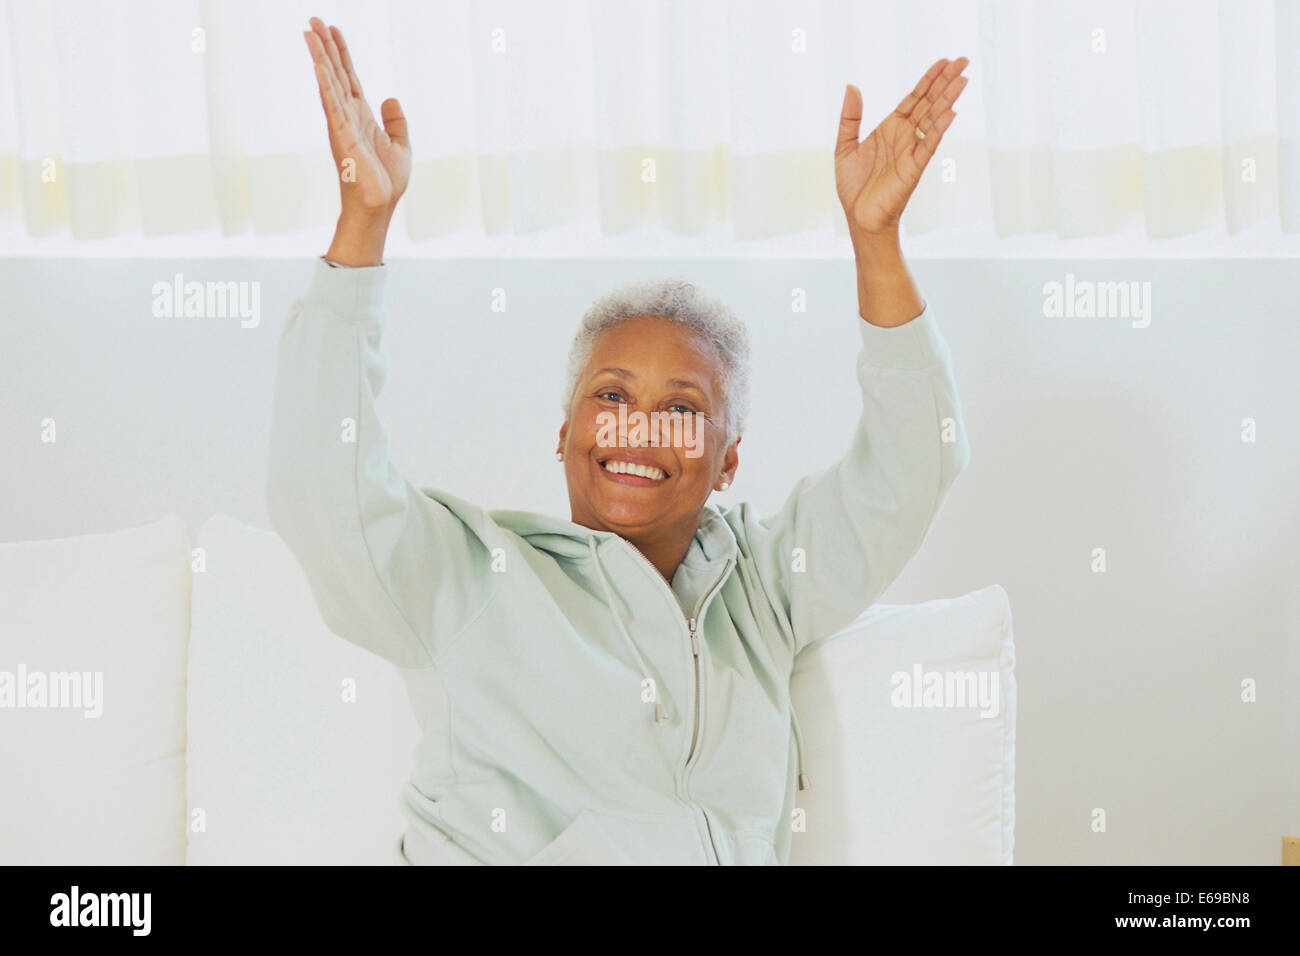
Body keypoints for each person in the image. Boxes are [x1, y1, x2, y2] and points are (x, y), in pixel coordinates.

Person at [267, 17, 971, 865]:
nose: (637, 427)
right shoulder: (471, 575)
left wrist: (876, 244)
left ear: (728, 460)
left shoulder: (766, 590)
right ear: (566, 434)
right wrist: (362, 230)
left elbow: (912, 464)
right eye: (610, 395)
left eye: (680, 407)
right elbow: (322, 485)